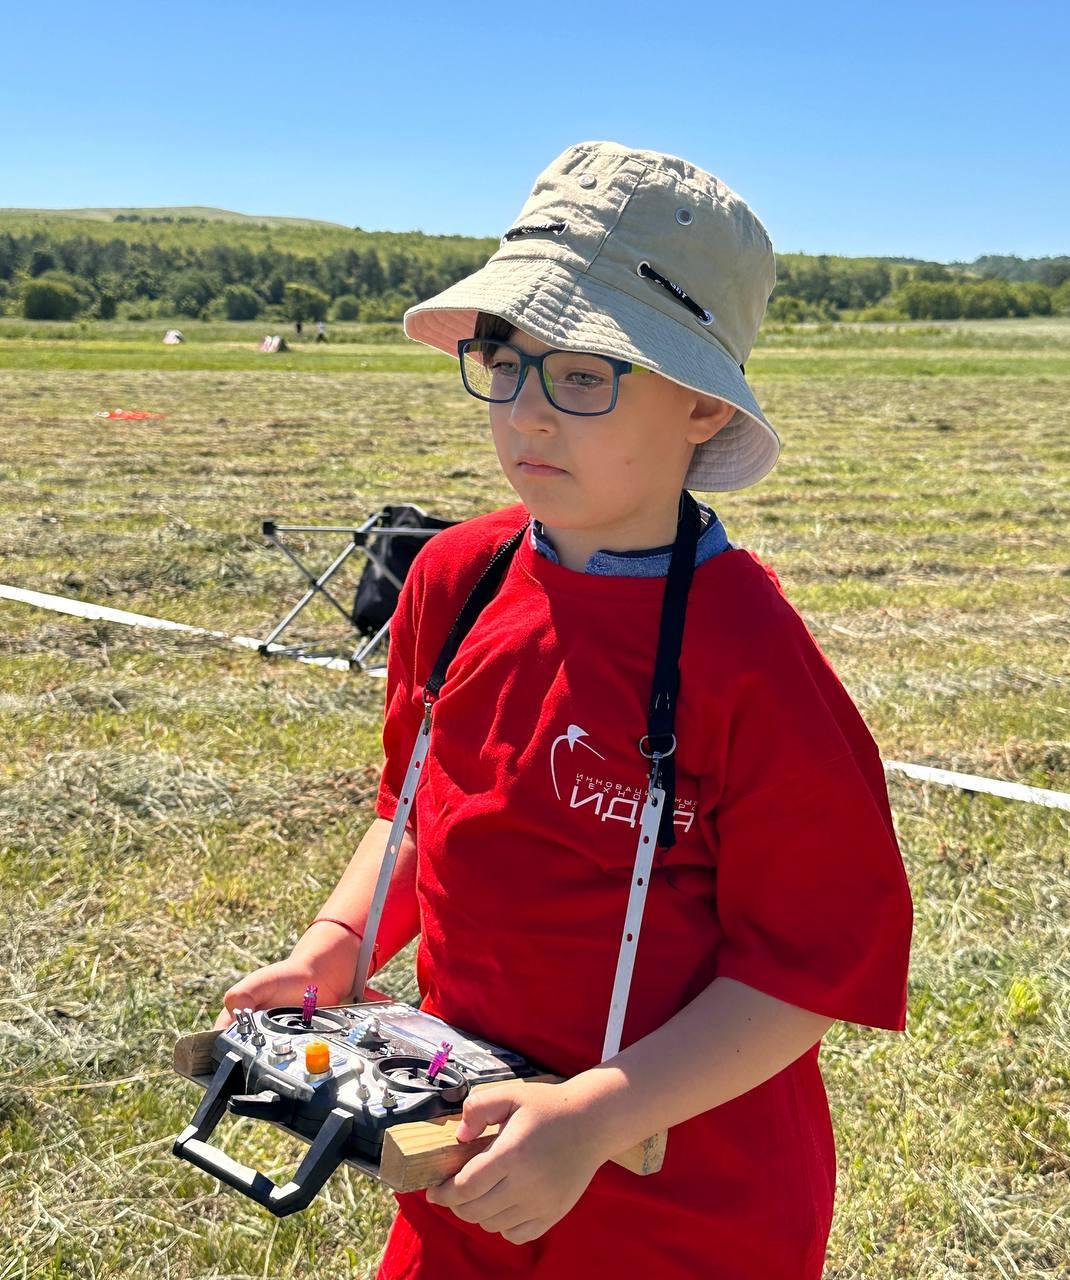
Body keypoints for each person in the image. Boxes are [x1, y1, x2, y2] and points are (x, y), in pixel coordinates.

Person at [216, 140, 913, 1280]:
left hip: (682, 1194)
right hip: (464, 1138)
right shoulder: (455, 577)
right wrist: (337, 943)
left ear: (697, 402)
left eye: (584, 372)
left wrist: (593, 1116)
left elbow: (801, 971)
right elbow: (412, 800)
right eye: (504, 358)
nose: (527, 415)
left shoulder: (755, 665)